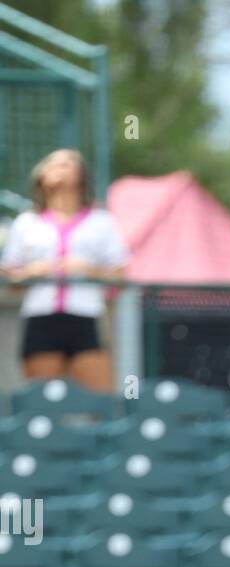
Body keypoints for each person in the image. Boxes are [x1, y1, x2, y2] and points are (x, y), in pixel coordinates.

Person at [0, 148, 128, 391]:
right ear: (41, 176)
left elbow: (120, 275)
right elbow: (9, 277)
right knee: (40, 406)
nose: (59, 168)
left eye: (67, 163)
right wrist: (31, 272)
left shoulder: (102, 221)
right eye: (53, 164)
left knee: (102, 403)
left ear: (81, 174)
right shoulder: (27, 223)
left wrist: (88, 270)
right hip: (41, 319)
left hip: (87, 318)